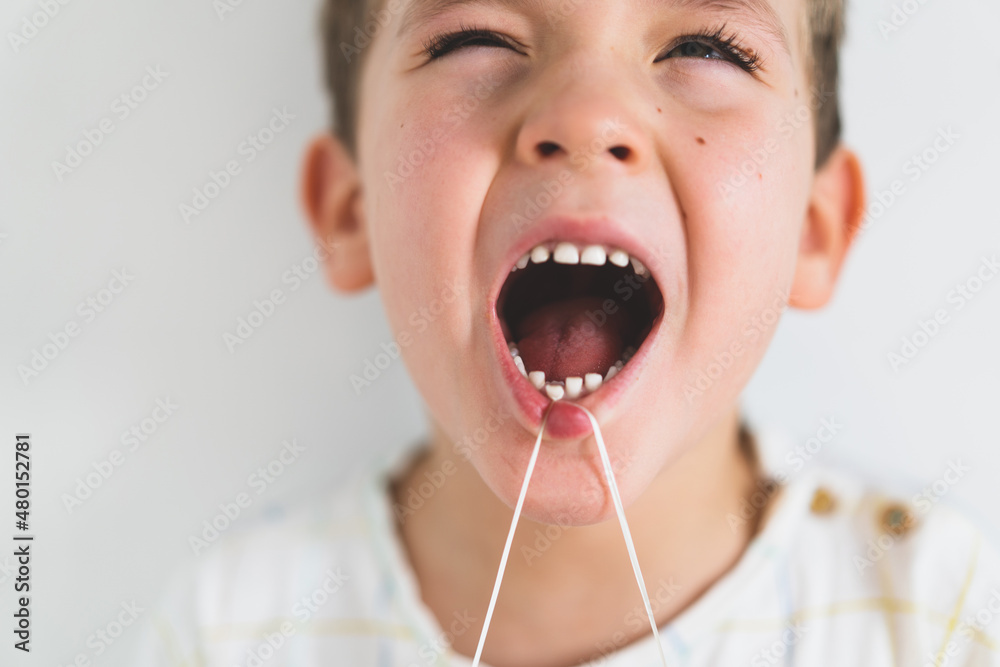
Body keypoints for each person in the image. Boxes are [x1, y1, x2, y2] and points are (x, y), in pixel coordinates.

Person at [137, 0, 1000, 664]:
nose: (588, 115)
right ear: (351, 213)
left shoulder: (939, 616)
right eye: (475, 38)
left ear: (813, 230)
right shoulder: (234, 628)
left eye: (706, 48)